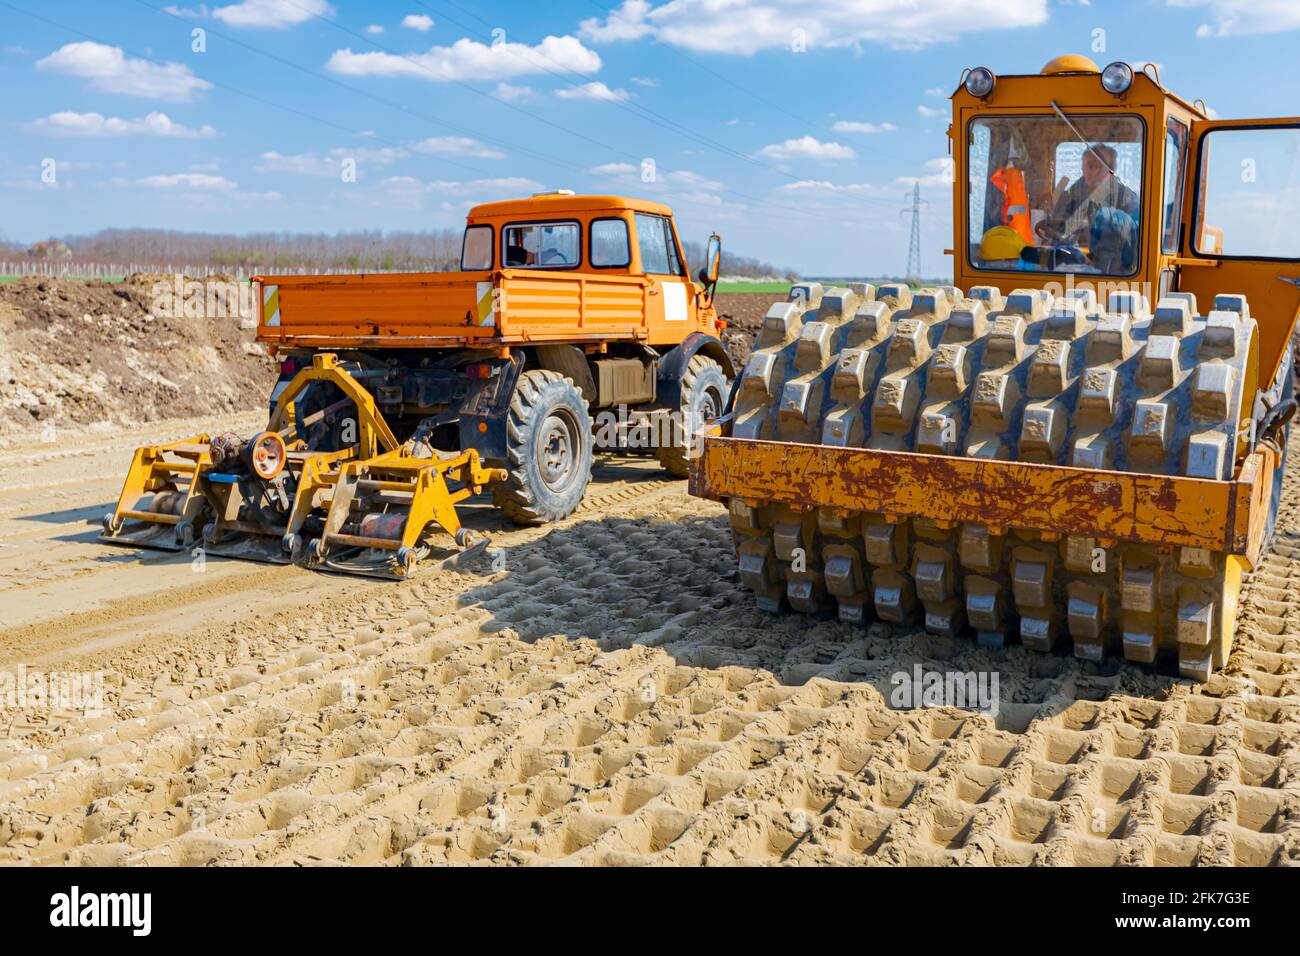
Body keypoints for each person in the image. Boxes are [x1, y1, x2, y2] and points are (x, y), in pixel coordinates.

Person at [1036, 144, 1139, 248]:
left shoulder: (1126, 199)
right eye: (1088, 166)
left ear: (1112, 170)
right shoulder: (1072, 195)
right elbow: (1060, 225)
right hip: (1075, 257)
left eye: (1098, 166)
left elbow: (1133, 240)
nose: (1092, 171)